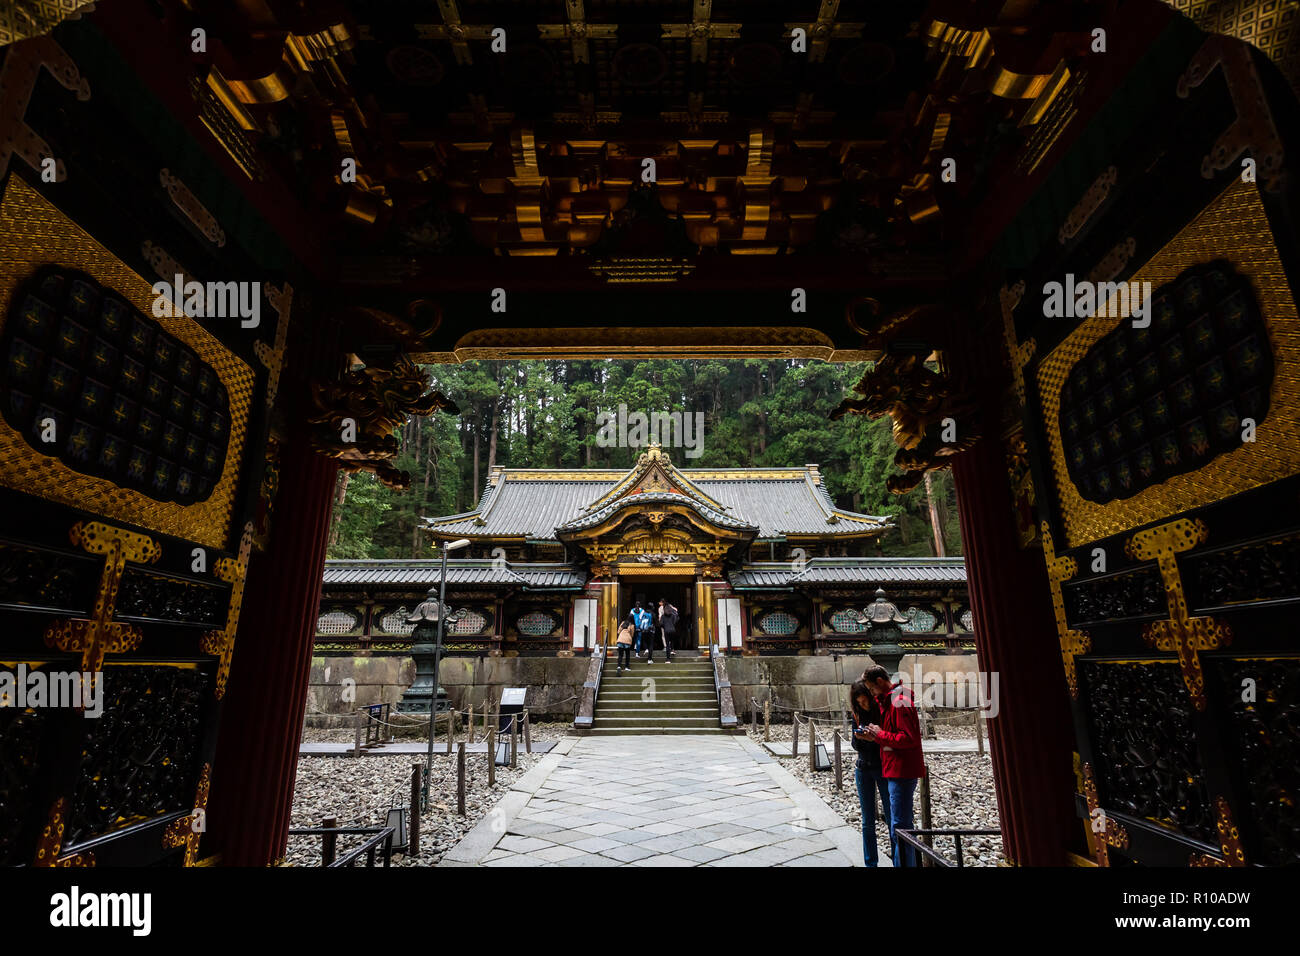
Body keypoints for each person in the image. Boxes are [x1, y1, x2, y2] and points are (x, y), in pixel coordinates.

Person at [858, 664, 925, 867]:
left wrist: (879, 734)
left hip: (901, 769)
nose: (871, 694)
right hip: (894, 767)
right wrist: (876, 736)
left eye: (871, 689)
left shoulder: (899, 700)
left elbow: (908, 738)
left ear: (879, 682)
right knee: (898, 825)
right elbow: (893, 736)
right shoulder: (890, 701)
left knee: (901, 827)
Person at [849, 678, 889, 867]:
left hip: (881, 767)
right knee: (867, 821)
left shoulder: (880, 712)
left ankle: (898, 859)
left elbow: (888, 739)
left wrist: (875, 738)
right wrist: (860, 738)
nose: (862, 704)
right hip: (863, 767)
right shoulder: (856, 715)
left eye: (865, 700)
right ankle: (870, 863)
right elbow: (854, 744)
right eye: (859, 702)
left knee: (890, 817)